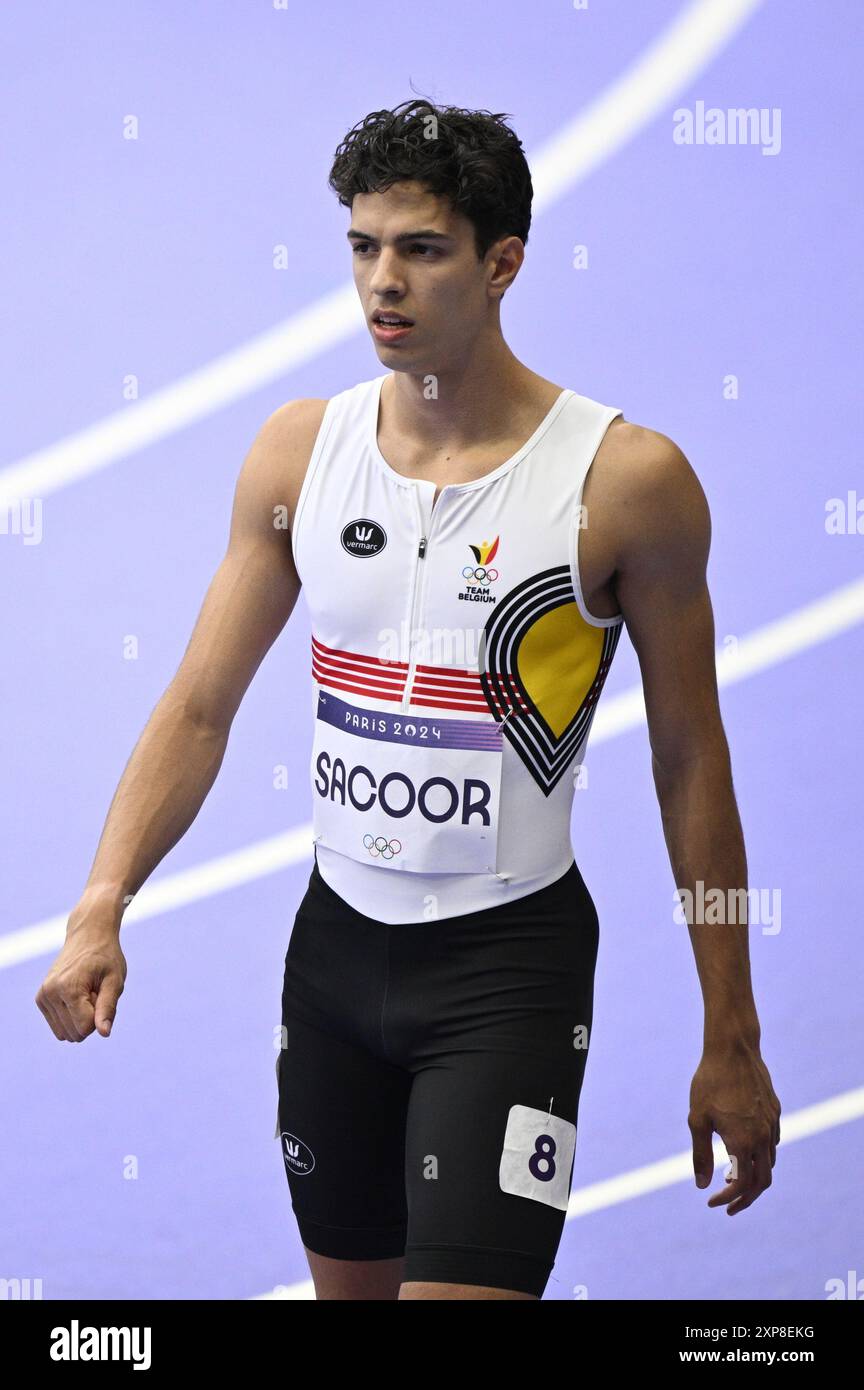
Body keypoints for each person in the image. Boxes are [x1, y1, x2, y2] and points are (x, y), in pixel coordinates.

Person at [36, 99, 781, 1301]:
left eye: (421, 250)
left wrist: (731, 1031)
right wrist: (101, 899)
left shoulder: (626, 485)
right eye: (363, 247)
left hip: (510, 972)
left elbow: (693, 759)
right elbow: (199, 705)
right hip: (334, 964)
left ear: (503, 264)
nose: (383, 283)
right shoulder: (298, 455)